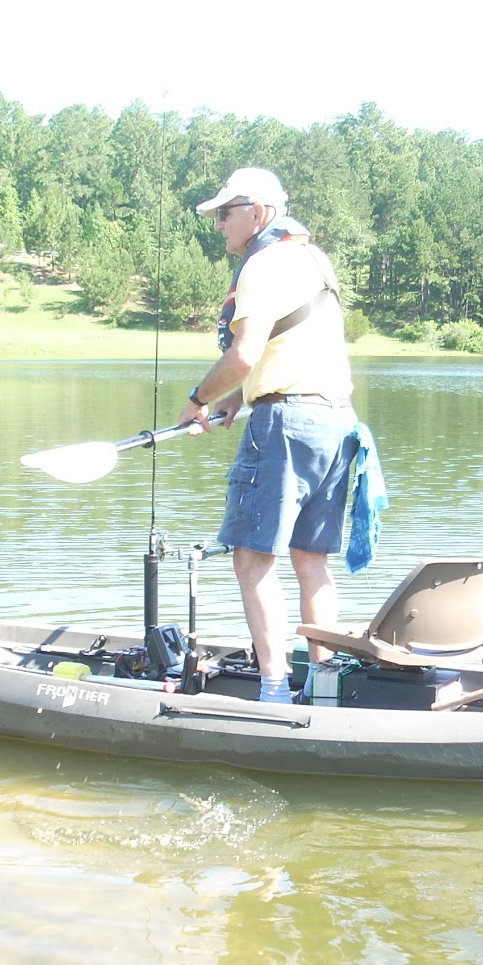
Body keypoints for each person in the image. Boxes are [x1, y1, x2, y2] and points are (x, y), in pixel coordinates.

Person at [176, 168, 359, 704]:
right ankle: (325, 688)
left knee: (253, 558)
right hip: (337, 421)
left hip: (287, 426)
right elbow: (296, 346)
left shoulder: (262, 262)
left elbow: (245, 353)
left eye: (224, 213)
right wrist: (244, 394)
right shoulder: (311, 258)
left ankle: (274, 689)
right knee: (311, 559)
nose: (218, 225)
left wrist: (198, 401)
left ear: (256, 212)